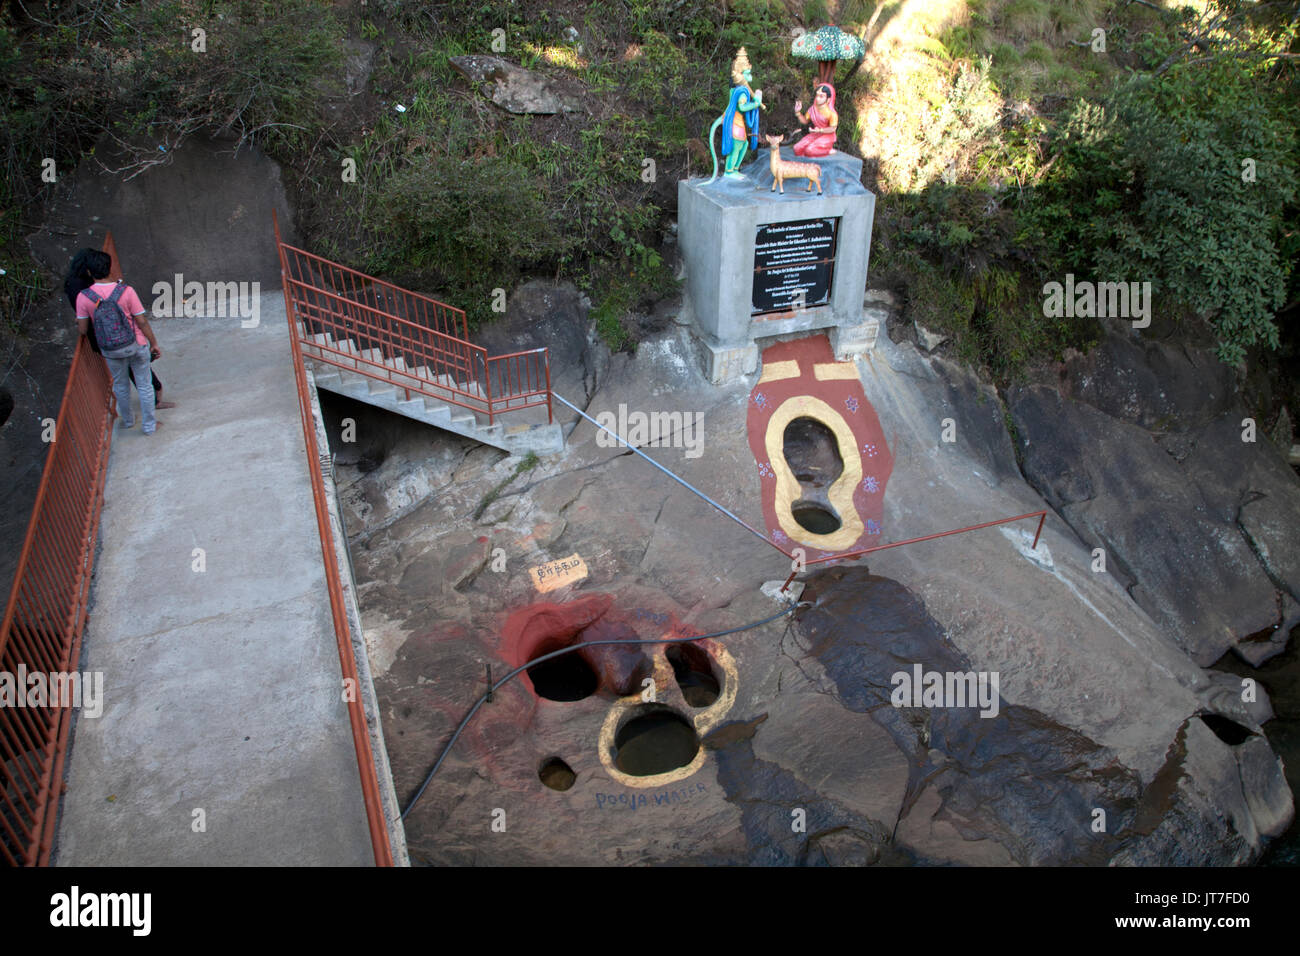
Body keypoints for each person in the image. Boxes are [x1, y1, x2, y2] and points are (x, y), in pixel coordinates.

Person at [64, 249, 174, 409]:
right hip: (123, 336)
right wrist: (153, 342)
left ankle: (129, 419)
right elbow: (141, 321)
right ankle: (154, 402)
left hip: (104, 342)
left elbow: (82, 322)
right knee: (140, 374)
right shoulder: (90, 288)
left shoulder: (78, 288)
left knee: (122, 382)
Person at [792, 84, 839, 158]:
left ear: (828, 99)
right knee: (797, 149)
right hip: (815, 134)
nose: (818, 98)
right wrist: (798, 112)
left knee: (809, 151)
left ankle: (827, 150)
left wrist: (820, 130)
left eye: (821, 96)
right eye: (817, 95)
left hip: (827, 136)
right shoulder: (812, 109)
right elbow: (805, 121)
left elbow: (833, 129)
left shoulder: (832, 113)